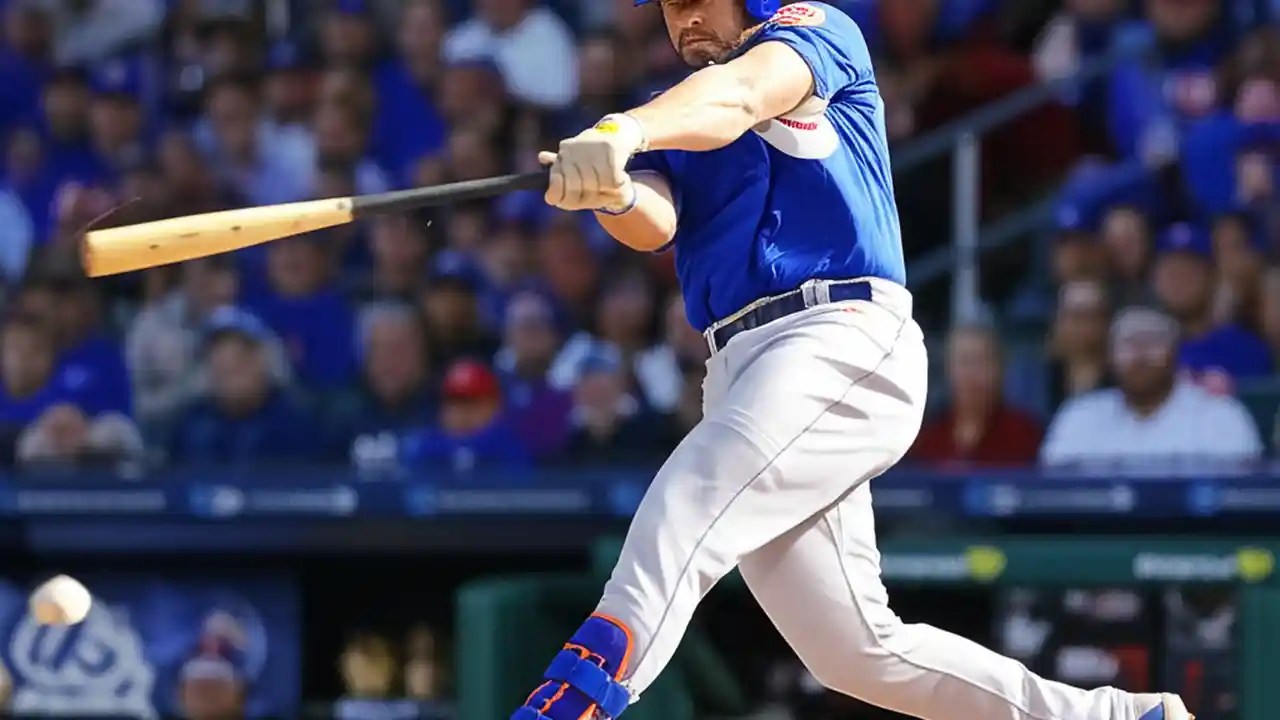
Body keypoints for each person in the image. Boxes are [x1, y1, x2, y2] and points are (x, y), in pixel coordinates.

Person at [510, 3, 1191, 720]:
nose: (683, 22)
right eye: (670, 8)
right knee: (856, 650)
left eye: (696, 1)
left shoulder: (808, 30)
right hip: (742, 366)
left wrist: (623, 130)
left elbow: (742, 96)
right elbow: (659, 222)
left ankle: (571, 704)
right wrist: (611, 189)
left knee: (686, 504)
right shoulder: (678, 109)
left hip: (836, 333)